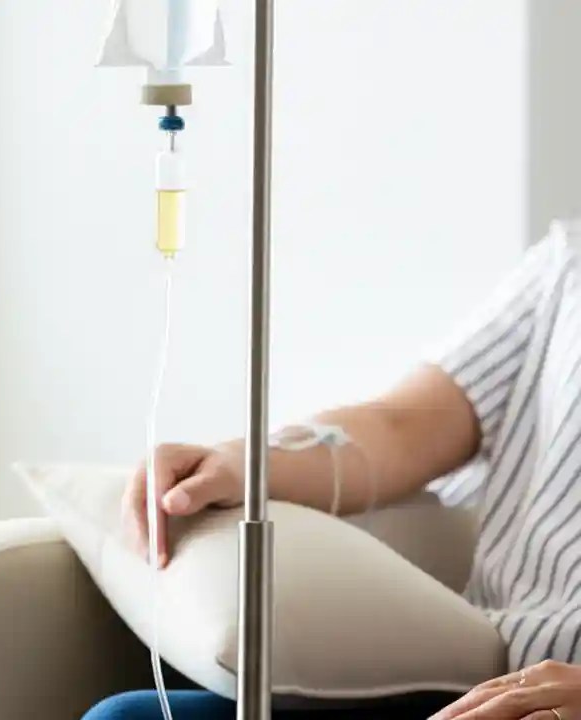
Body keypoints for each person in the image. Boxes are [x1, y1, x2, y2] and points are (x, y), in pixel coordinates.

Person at [85, 225, 581, 720]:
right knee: (127, 717)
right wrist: (245, 462)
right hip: (483, 690)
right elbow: (401, 425)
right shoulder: (566, 265)